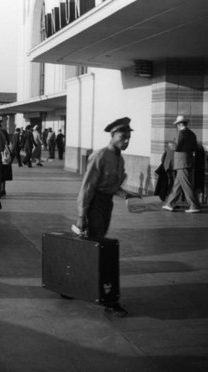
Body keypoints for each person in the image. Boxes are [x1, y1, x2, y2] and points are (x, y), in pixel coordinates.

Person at [75, 116, 133, 317]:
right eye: (122, 137)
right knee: (99, 247)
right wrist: (82, 215)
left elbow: (114, 186)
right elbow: (87, 187)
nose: (125, 141)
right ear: (112, 135)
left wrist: (128, 194)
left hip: (106, 203)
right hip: (94, 205)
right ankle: (108, 299)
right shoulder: (99, 156)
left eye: (128, 138)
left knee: (95, 245)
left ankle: (77, 283)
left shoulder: (119, 158)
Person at [162, 115, 201, 213]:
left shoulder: (181, 133)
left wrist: (171, 145)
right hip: (187, 160)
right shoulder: (192, 133)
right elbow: (194, 147)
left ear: (179, 124)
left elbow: (178, 147)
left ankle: (194, 205)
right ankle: (170, 204)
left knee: (186, 184)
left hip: (181, 161)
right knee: (177, 185)